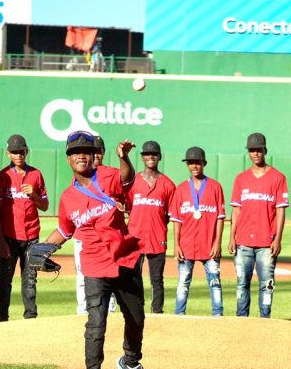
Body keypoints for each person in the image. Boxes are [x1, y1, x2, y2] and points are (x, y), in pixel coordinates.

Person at [42, 130, 146, 369]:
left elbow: (127, 178)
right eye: (75, 152)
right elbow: (65, 229)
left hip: (123, 259)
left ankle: (131, 361)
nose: (80, 155)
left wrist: (124, 157)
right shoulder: (67, 198)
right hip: (94, 265)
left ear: (92, 156)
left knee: (135, 318)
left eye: (85, 151)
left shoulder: (108, 175)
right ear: (68, 158)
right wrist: (43, 249)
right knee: (96, 325)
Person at [228, 132, 289, 318]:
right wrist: (232, 237)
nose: (255, 153)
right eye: (252, 150)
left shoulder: (278, 178)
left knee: (267, 284)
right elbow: (236, 210)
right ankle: (242, 319)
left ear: (265, 150)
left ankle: (265, 319)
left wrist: (277, 239)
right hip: (243, 242)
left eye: (259, 150)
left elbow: (280, 211)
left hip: (266, 243)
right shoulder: (241, 178)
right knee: (241, 283)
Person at [0, 134, 48, 322]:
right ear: (8, 153)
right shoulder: (2, 177)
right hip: (10, 235)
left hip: (32, 235)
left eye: (22, 151)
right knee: (5, 279)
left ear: (27, 151)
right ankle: (2, 317)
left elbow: (45, 206)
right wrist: (0, 240)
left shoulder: (36, 174)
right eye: (15, 152)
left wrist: (34, 195)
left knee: (30, 279)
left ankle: (31, 316)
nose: (19, 155)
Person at [170, 146, 226, 316]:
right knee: (183, 283)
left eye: (197, 163)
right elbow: (177, 221)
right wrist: (176, 245)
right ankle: (179, 315)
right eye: (190, 163)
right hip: (186, 245)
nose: (194, 166)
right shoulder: (180, 189)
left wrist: (217, 243)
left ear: (204, 163)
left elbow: (220, 218)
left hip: (209, 245)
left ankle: (218, 315)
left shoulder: (215, 187)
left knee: (215, 282)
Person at [125, 140, 175, 314]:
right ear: (142, 157)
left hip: (157, 237)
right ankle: (135, 309)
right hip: (135, 238)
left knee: (157, 279)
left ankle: (157, 312)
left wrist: (156, 223)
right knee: (132, 278)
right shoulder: (133, 181)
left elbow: (169, 213)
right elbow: (129, 208)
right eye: (147, 154)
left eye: (154, 154)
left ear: (159, 157)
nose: (150, 157)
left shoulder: (168, 184)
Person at [75, 135, 117, 313]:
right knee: (82, 276)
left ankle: (111, 310)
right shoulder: (80, 175)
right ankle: (83, 310)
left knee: (112, 274)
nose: (97, 155)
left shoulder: (112, 174)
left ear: (103, 153)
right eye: (94, 151)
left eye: (99, 151)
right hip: (82, 236)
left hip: (107, 235)